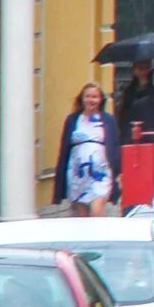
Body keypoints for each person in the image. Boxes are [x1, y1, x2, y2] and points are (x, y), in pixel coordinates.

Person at [52, 83, 122, 216]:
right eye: (87, 96)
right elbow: (64, 149)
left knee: (97, 210)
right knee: (81, 217)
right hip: (77, 173)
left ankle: (99, 236)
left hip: (100, 173)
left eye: (94, 97)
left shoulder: (108, 119)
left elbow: (115, 145)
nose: (91, 100)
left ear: (101, 99)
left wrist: (118, 171)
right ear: (82, 99)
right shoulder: (73, 120)